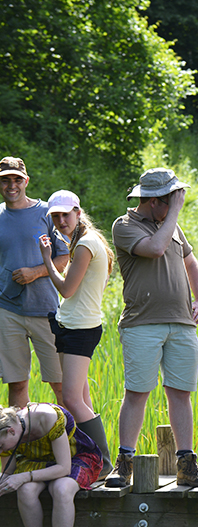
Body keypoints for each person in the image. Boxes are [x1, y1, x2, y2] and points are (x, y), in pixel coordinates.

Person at [106, 168, 198, 488]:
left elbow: (190, 262)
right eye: (170, 200)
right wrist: (174, 214)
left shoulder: (171, 225)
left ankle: (186, 464)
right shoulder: (125, 225)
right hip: (143, 323)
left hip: (181, 322)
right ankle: (124, 463)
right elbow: (153, 248)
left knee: (180, 393)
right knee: (137, 392)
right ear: (153, 202)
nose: (175, 205)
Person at [38, 190, 114, 478]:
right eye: (55, 216)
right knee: (81, 397)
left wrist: (47, 259)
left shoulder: (85, 245)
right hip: (72, 325)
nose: (60, 220)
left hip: (80, 329)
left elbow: (67, 289)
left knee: (70, 398)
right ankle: (93, 456)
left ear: (78, 212)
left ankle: (103, 461)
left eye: (65, 215)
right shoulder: (83, 242)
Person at [0, 402, 102, 527]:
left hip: (75, 458)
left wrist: (23, 477)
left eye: (0, 446)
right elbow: (9, 471)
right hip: (40, 462)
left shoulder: (47, 417)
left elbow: (63, 468)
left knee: (62, 489)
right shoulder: (6, 435)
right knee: (25, 490)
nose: (0, 451)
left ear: (11, 431)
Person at [0, 156, 68, 408]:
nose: (11, 186)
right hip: (8, 311)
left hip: (46, 310)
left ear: (26, 181)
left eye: (17, 179)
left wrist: (36, 272)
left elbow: (65, 257)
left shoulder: (46, 213)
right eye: (5, 180)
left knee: (60, 384)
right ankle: (19, 444)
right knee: (17, 383)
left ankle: (74, 444)